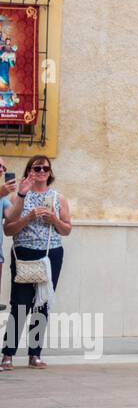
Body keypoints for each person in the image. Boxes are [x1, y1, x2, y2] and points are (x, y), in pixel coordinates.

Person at [2, 156, 72, 370]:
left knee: (42, 304)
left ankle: (35, 354)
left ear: (50, 173)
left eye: (45, 168)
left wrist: (54, 220)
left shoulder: (58, 198)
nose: (41, 171)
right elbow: (8, 230)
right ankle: (8, 354)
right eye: (37, 168)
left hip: (51, 254)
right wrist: (28, 218)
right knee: (20, 304)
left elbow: (67, 229)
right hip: (24, 252)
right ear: (29, 171)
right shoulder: (19, 198)